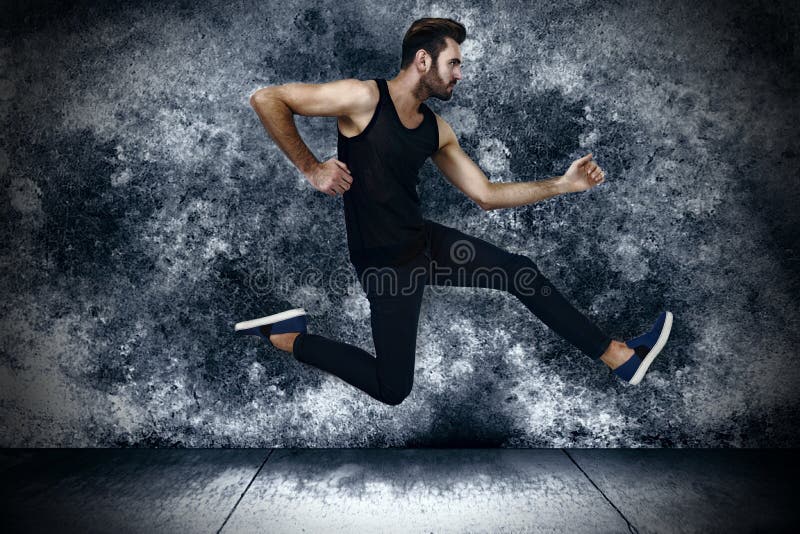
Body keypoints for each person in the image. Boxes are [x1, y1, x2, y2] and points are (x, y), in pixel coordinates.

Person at [237, 17, 673, 405]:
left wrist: (564, 184)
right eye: (455, 64)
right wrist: (313, 168)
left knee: (520, 272)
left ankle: (619, 357)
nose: (459, 75)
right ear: (424, 61)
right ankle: (288, 336)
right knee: (393, 389)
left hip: (424, 242)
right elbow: (267, 99)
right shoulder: (363, 97)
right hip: (386, 265)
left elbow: (484, 193)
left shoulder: (435, 129)